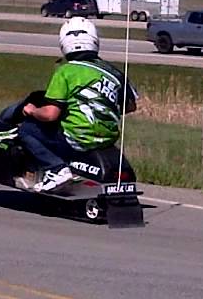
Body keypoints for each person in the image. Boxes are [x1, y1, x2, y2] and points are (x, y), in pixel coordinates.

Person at [17, 17, 138, 192]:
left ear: (64, 43)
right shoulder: (114, 72)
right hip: (107, 139)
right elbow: (130, 106)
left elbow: (51, 114)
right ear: (94, 40)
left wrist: (33, 110)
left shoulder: (66, 71)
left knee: (27, 130)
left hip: (76, 138)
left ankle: (57, 170)